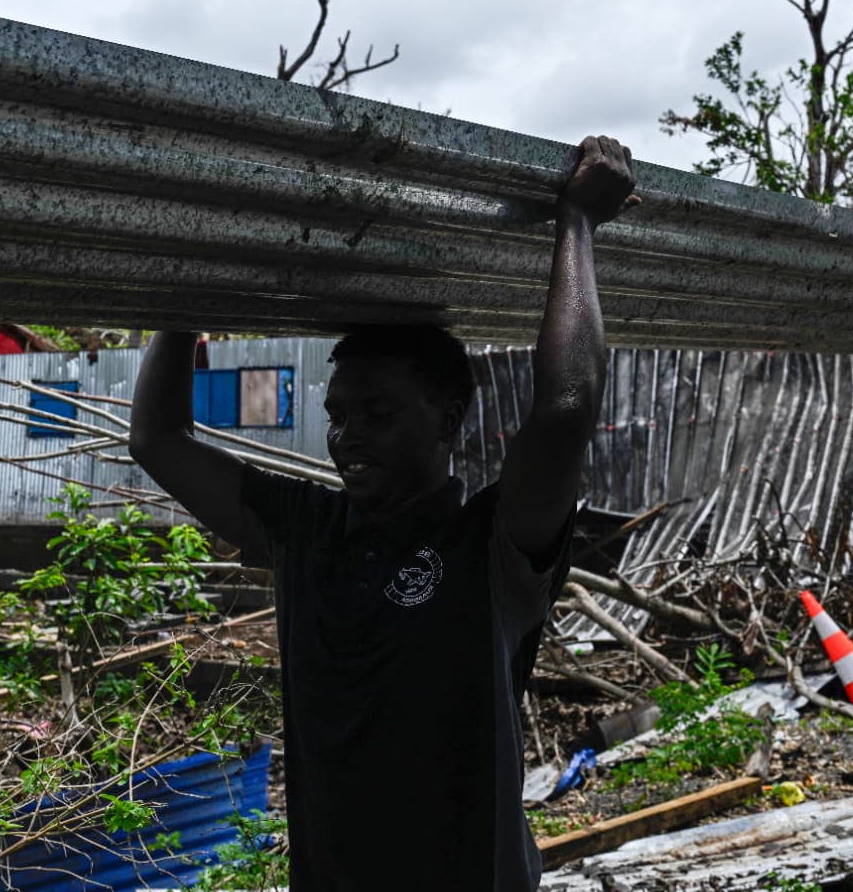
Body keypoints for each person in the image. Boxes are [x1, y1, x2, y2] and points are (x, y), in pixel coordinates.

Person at [129, 135, 639, 890]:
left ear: (448, 418)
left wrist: (577, 222)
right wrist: (185, 302)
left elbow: (564, 409)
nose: (346, 436)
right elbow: (159, 440)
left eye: (378, 413)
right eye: (338, 415)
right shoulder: (304, 528)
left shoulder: (493, 546)